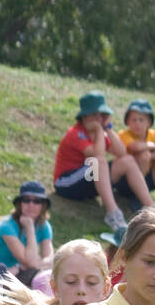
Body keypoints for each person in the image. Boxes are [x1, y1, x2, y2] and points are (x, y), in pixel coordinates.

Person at [52, 91, 149, 231]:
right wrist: (99, 130)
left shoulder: (101, 133)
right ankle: (112, 213)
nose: (100, 119)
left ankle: (151, 207)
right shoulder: (75, 133)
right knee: (98, 161)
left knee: (127, 160)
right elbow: (98, 155)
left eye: (103, 115)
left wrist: (108, 129)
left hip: (88, 180)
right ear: (85, 117)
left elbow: (122, 152)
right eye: (96, 115)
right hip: (66, 184)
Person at [0, 181, 54, 282]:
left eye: (37, 201)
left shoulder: (44, 226)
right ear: (20, 204)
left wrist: (35, 265)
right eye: (26, 200)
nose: (31, 204)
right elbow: (30, 263)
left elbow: (49, 260)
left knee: (47, 277)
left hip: (19, 273)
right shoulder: (6, 226)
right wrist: (30, 228)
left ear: (43, 205)